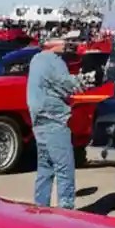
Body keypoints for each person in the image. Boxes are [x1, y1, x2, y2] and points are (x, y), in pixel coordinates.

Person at [27, 37, 82, 209]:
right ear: (53, 43)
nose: (67, 45)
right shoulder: (54, 61)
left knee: (45, 167)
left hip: (38, 120)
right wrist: (81, 81)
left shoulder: (36, 59)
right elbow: (66, 85)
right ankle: (66, 210)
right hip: (54, 118)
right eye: (64, 41)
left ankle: (40, 208)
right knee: (64, 167)